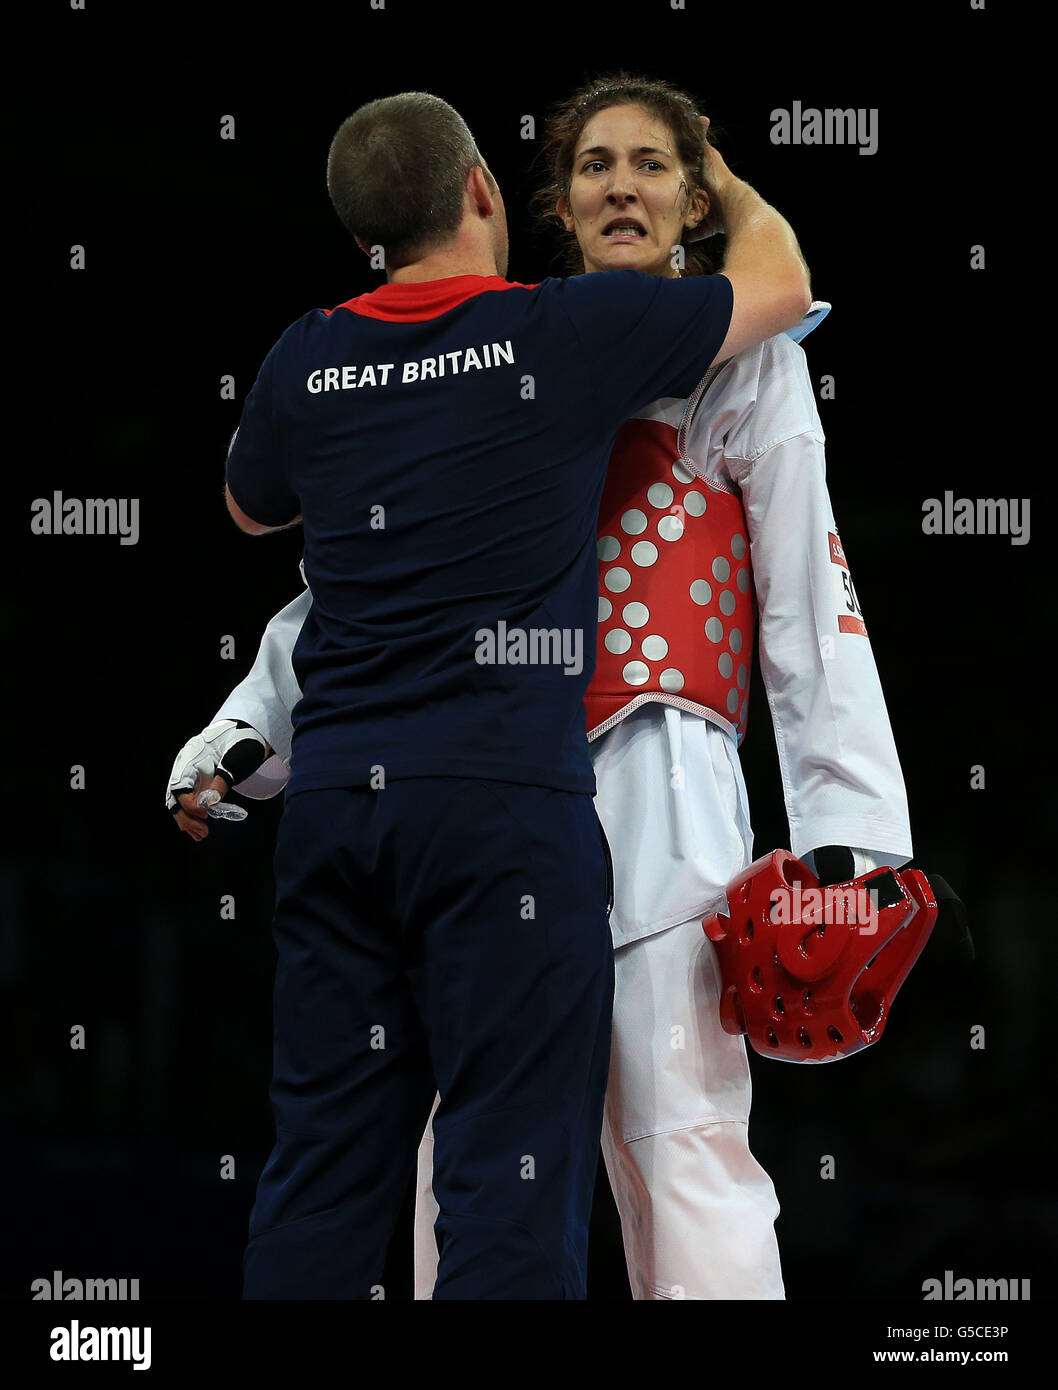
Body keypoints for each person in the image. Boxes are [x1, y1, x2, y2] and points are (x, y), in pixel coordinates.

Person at [184, 87, 813, 1300]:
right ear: (485, 189)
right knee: (503, 1177)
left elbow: (250, 510)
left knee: (320, 1169)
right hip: (500, 816)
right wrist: (716, 183)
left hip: (335, 817)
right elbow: (781, 282)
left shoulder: (304, 353)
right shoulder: (560, 333)